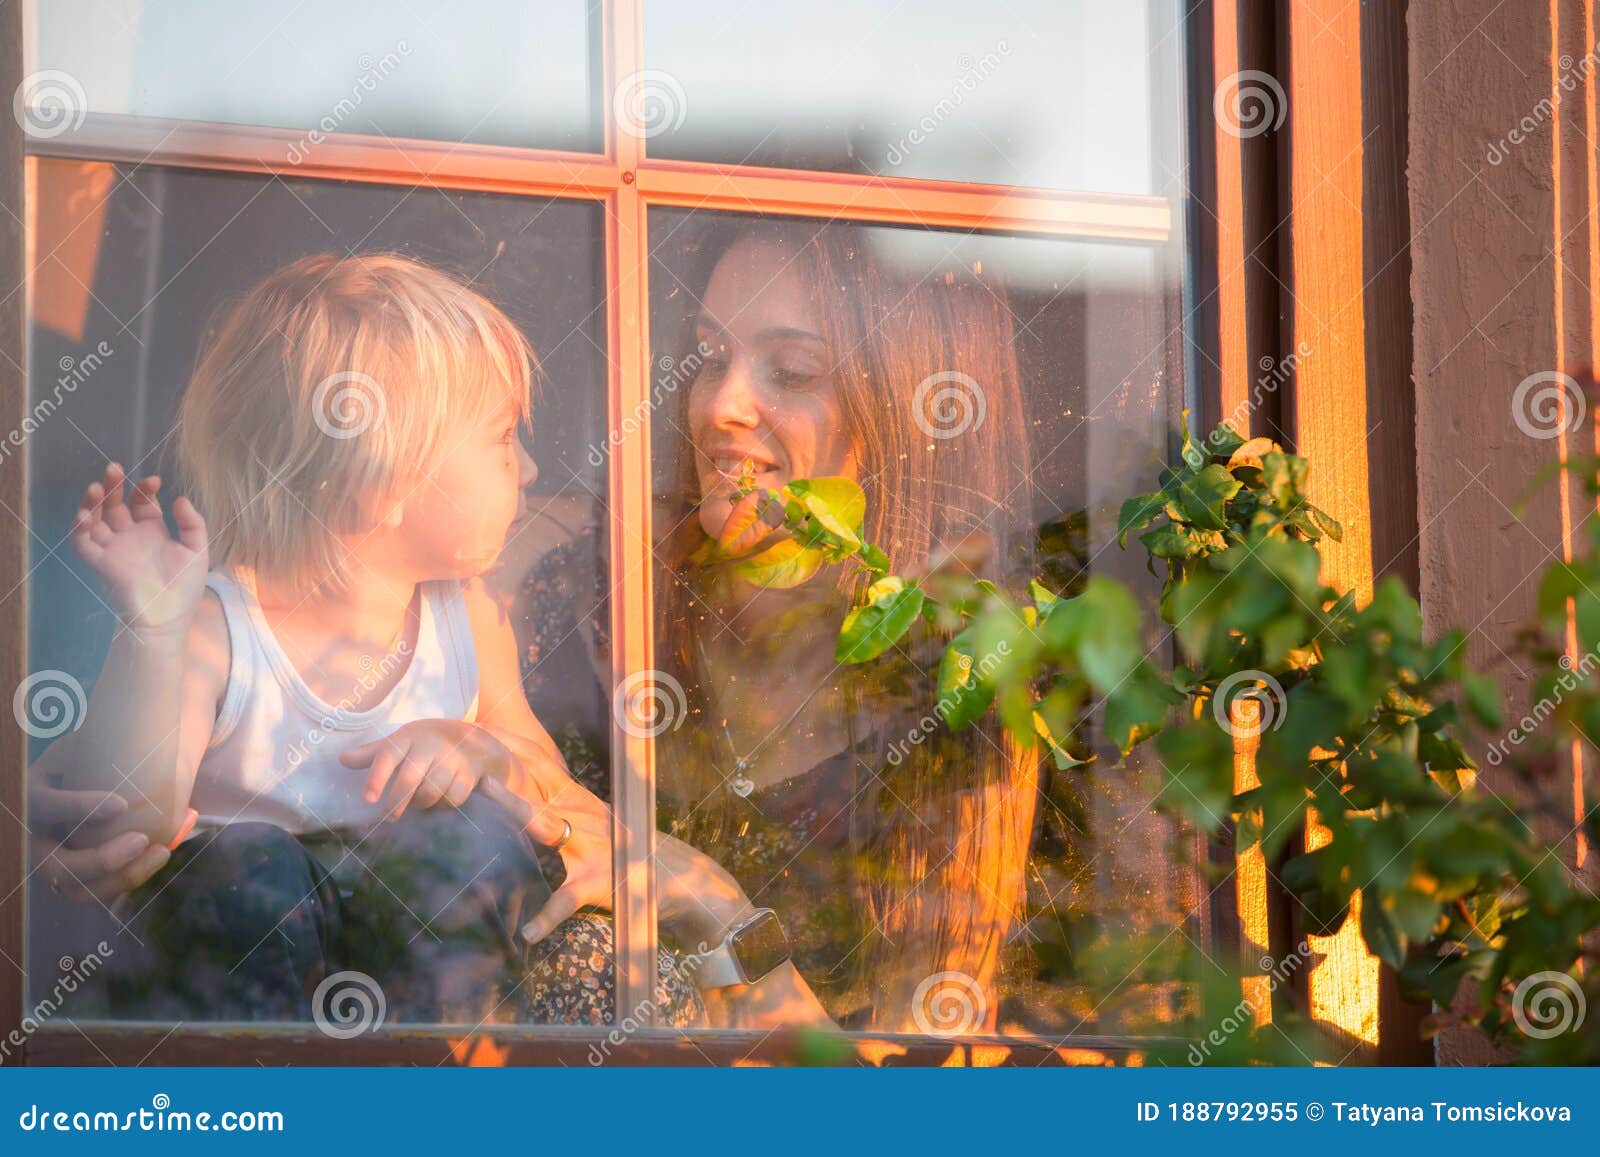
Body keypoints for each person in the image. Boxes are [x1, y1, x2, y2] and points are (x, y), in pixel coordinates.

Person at [35, 252, 616, 1025]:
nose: (533, 467)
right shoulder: (218, 631)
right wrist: (153, 630)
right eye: (504, 439)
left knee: (473, 836)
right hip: (256, 967)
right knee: (245, 868)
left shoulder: (468, 619)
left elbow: (545, 777)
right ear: (383, 486)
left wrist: (486, 751)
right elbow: (125, 828)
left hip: (412, 973)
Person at [512, 217, 1043, 1031]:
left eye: (792, 370)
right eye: (710, 356)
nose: (724, 404)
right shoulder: (593, 605)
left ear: (906, 421)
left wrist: (718, 909)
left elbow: (924, 1103)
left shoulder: (966, 686)